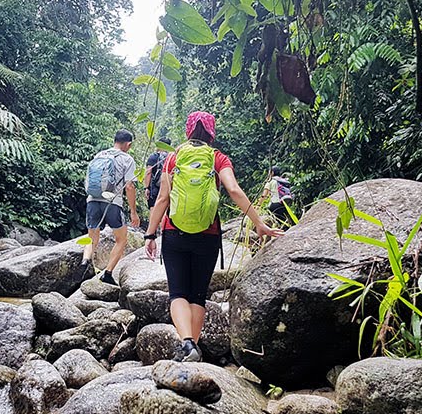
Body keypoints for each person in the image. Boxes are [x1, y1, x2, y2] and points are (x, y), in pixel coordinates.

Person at [144, 111, 283, 362]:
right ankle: (192, 348)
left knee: (177, 293)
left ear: (188, 131)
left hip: (175, 233)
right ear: (211, 132)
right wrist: (259, 223)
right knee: (198, 295)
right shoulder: (218, 158)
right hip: (208, 236)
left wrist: (150, 234)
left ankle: (187, 345)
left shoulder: (173, 159)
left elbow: (163, 199)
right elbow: (232, 189)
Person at [83, 129, 140, 285]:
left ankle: (85, 262)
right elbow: (129, 187)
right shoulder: (127, 159)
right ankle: (107, 274)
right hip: (113, 203)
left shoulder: (99, 155)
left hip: (92, 200)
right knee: (121, 239)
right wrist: (133, 212)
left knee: (92, 238)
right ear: (128, 144)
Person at [144, 138, 172, 210]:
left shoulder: (154, 157)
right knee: (165, 208)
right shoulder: (171, 158)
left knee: (153, 207)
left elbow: (148, 172)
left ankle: (153, 221)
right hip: (168, 187)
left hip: (154, 188)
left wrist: (146, 188)